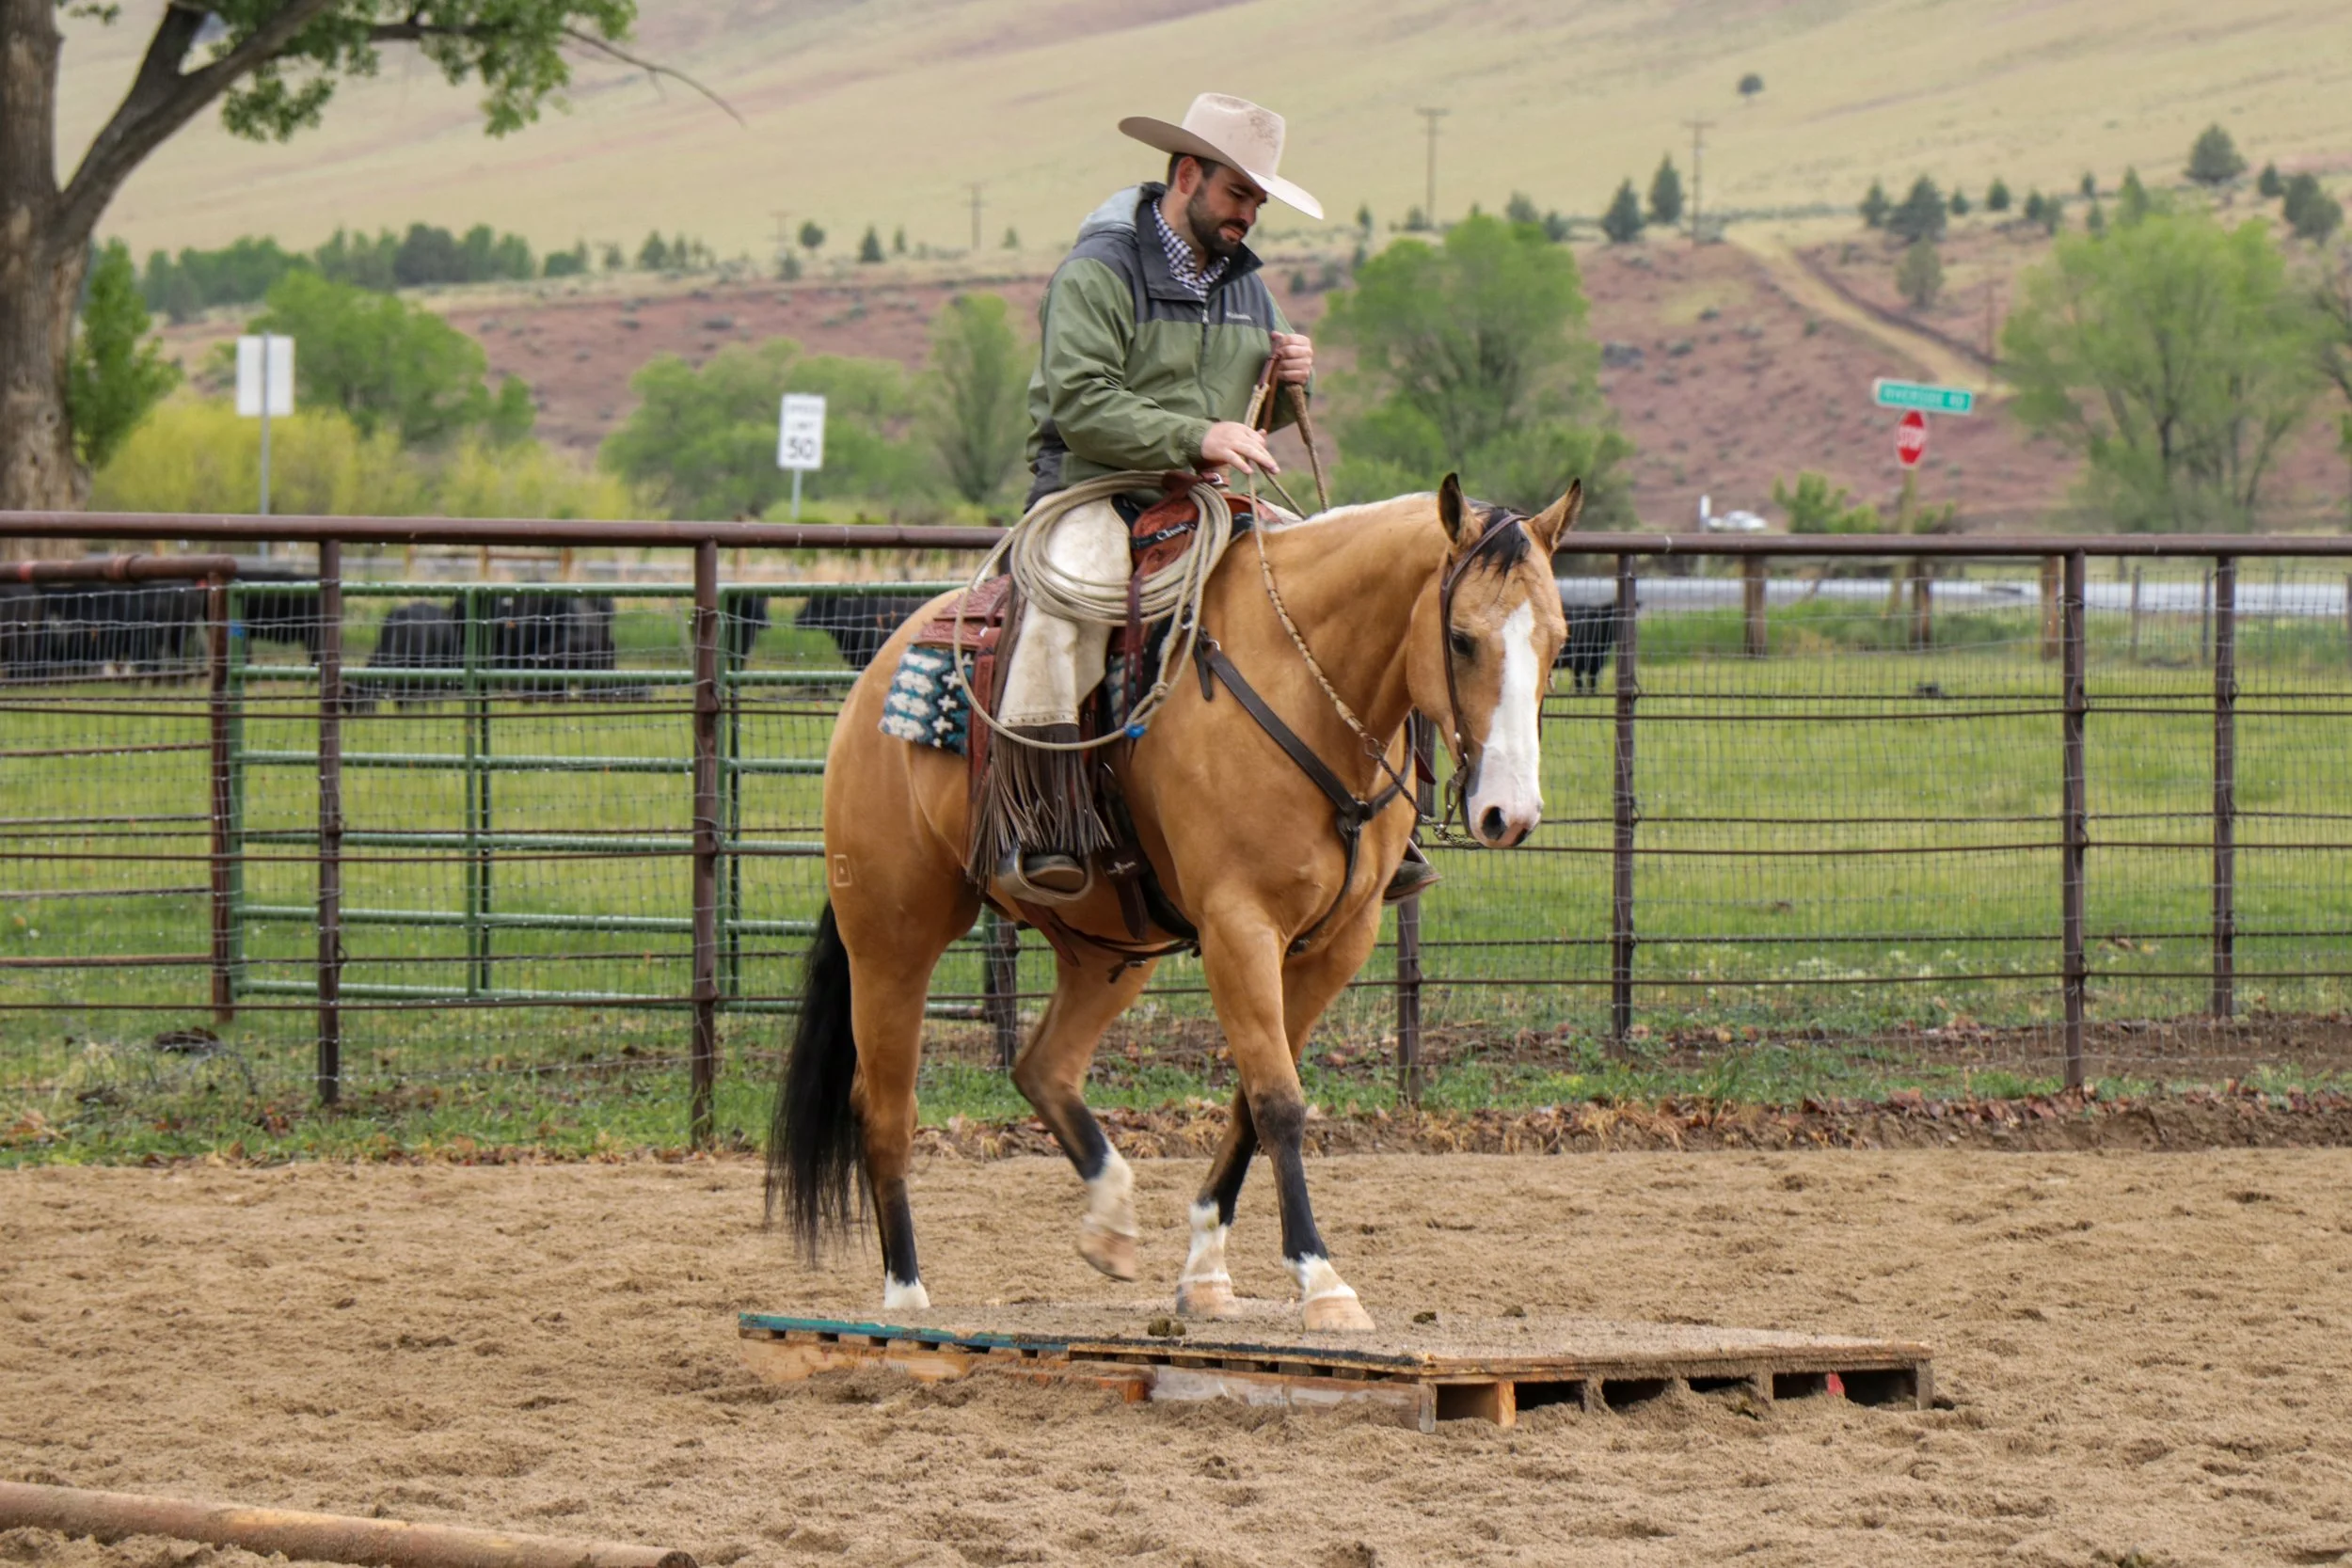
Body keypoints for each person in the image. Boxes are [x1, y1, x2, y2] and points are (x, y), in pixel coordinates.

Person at [992, 91, 1438, 908]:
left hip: (1206, 498)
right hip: (1093, 487)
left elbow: (1244, 423)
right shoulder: (1099, 271)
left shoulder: (1245, 285)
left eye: (1259, 202)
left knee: (1349, 587)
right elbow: (1082, 402)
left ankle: (1385, 816)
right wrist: (1200, 437)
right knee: (1067, 603)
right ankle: (1041, 820)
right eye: (1239, 195)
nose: (1249, 217)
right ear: (1187, 175)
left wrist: (1286, 384)